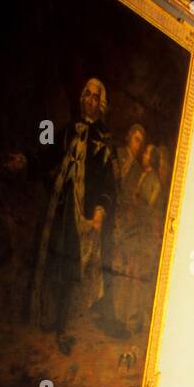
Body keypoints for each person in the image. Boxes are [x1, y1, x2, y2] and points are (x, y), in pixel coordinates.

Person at [28, 77, 124, 353]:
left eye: (95, 97)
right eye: (87, 95)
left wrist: (99, 212)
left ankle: (64, 327)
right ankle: (53, 320)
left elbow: (108, 184)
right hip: (60, 207)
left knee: (72, 266)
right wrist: (27, 161)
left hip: (84, 214)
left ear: (101, 104)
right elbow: (48, 156)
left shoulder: (105, 139)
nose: (90, 101)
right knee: (56, 261)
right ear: (82, 98)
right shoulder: (68, 130)